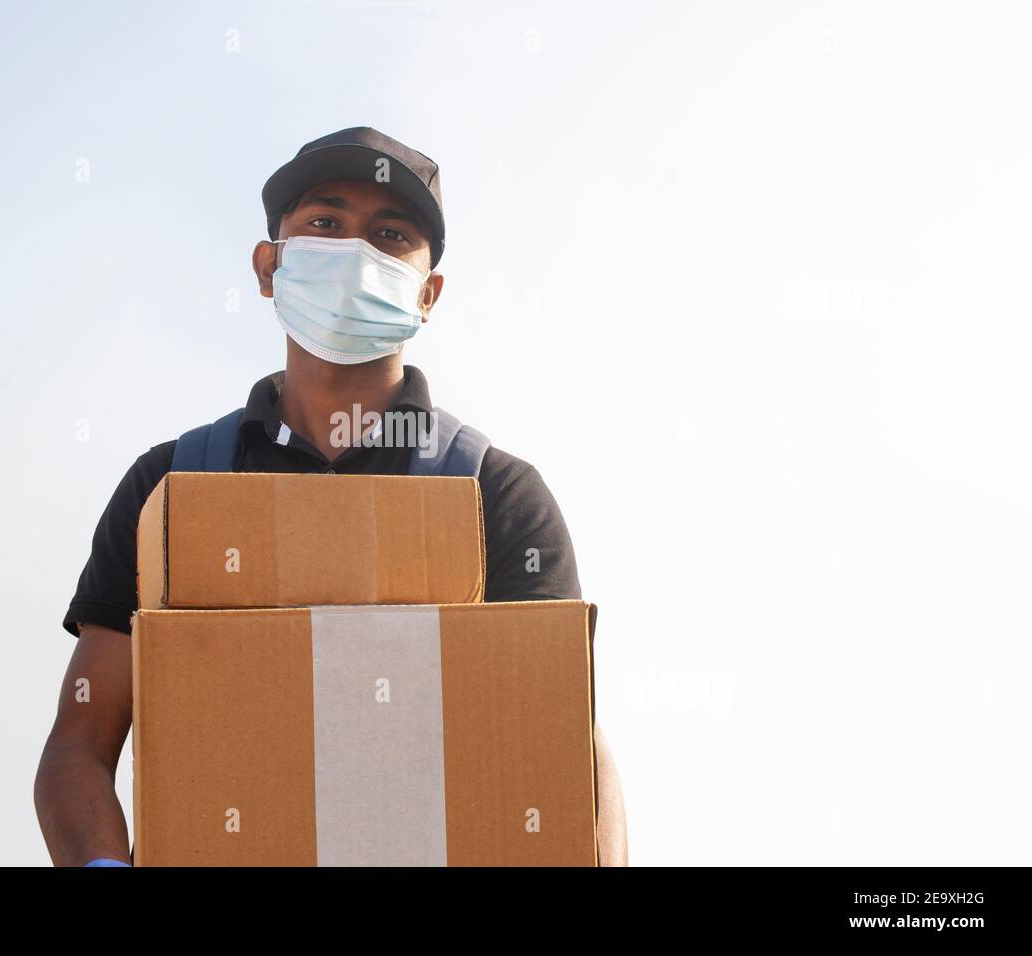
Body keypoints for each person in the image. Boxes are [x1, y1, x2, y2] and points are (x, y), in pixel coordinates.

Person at [34, 127, 628, 866]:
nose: (355, 253)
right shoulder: (172, 490)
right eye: (324, 223)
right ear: (267, 267)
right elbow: (79, 744)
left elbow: (567, 742)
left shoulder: (492, 495)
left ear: (428, 292)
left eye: (390, 235)